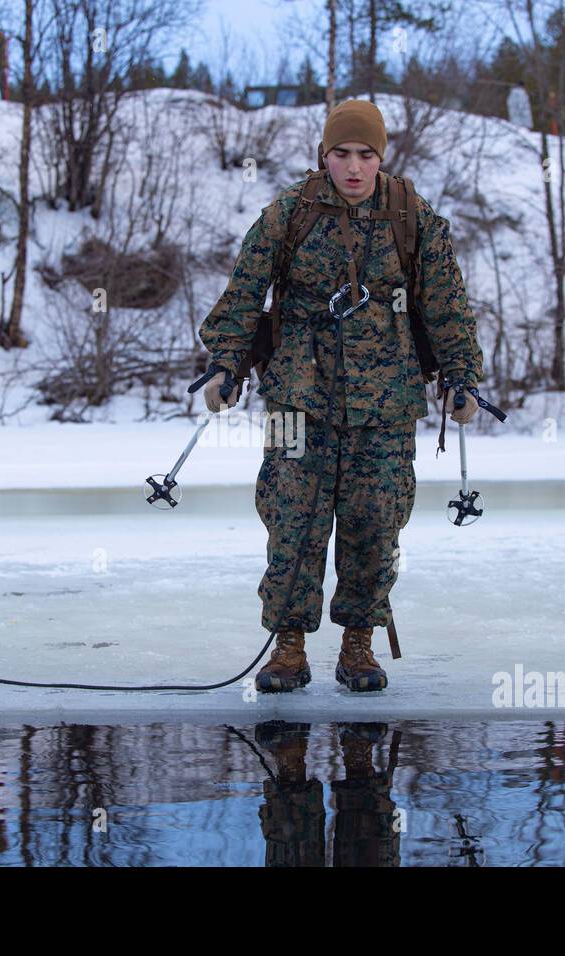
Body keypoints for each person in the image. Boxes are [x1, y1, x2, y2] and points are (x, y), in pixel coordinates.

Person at [198, 99, 484, 694]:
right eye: (341, 153)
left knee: (376, 523)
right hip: (295, 401)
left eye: (366, 154)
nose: (353, 167)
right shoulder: (287, 216)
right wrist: (227, 362)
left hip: (386, 403)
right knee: (291, 522)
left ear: (382, 157)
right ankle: (288, 647)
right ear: (323, 155)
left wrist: (460, 374)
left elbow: (447, 307)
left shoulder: (412, 217)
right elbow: (244, 294)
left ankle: (359, 645)